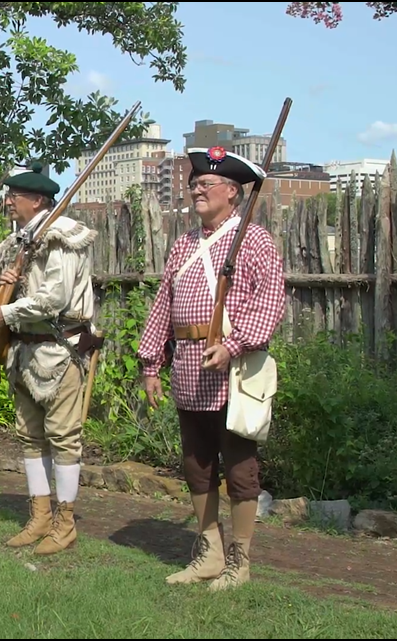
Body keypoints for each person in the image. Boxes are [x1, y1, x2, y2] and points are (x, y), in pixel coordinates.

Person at [137, 146, 286, 591]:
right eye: (194, 184)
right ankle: (209, 553)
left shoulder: (255, 240)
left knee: (240, 469)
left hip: (235, 372)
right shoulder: (183, 244)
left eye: (207, 184)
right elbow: (163, 305)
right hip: (188, 367)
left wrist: (235, 344)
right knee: (197, 465)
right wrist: (150, 364)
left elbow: (270, 301)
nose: (197, 190)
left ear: (233, 193)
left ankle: (239, 562)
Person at [0, 162, 99, 555]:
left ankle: (65, 523)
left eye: (16, 196)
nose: (9, 201)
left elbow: (55, 298)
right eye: (8, 195)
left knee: (63, 437)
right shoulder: (15, 244)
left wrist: (7, 312)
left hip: (58, 350)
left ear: (39, 200)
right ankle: (40, 517)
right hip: (23, 351)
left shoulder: (62, 236)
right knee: (30, 436)